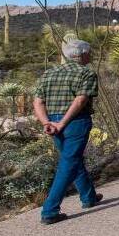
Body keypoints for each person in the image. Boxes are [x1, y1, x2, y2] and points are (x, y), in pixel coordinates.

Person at [33, 38, 102, 225]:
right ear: (82, 55)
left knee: (72, 159)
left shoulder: (49, 73)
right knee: (68, 163)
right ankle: (49, 211)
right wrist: (63, 122)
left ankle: (89, 197)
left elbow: (38, 102)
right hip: (75, 122)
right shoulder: (86, 73)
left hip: (52, 122)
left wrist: (47, 122)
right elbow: (81, 100)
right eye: (89, 52)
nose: (91, 55)